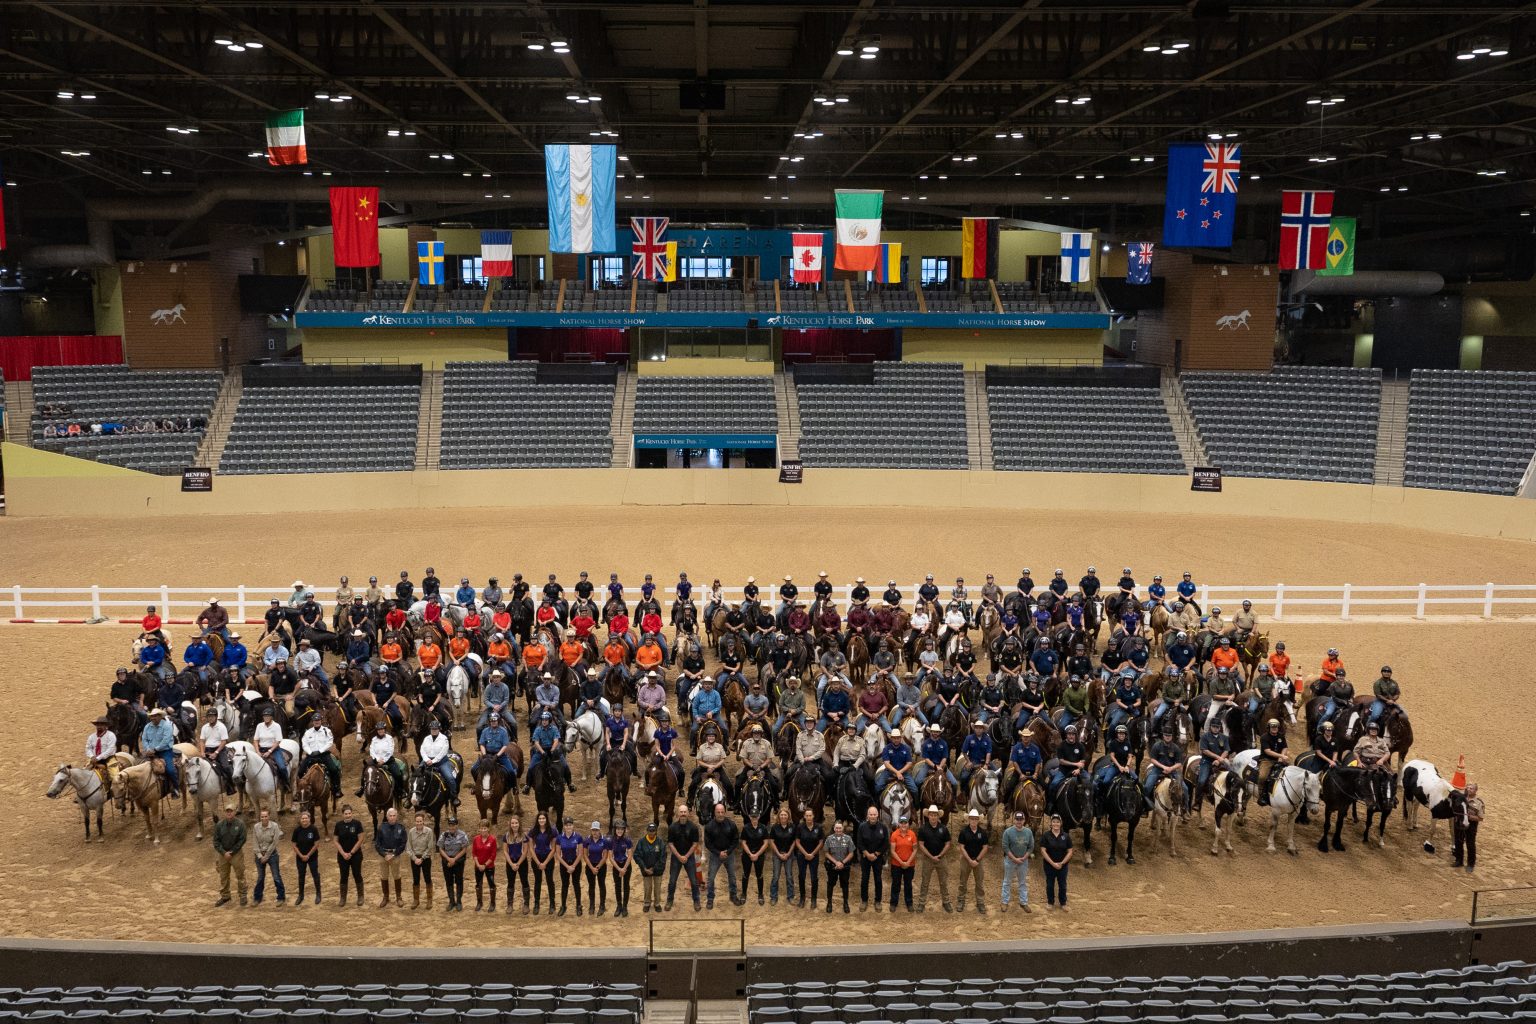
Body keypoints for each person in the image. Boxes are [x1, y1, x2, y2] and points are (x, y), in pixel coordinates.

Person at [703, 803, 742, 909]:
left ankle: (733, 895)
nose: (720, 814)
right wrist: (718, 853)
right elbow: (708, 843)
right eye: (718, 812)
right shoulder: (709, 826)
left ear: (725, 812)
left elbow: (735, 840)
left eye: (722, 812)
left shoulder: (731, 824)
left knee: (732, 877)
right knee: (711, 878)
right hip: (715, 855)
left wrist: (728, 852)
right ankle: (710, 898)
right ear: (714, 813)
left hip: (729, 855)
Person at [665, 806, 703, 911]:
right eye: (681, 812)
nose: (683, 814)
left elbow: (695, 843)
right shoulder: (672, 827)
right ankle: (669, 901)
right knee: (672, 881)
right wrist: (678, 856)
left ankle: (696, 901)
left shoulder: (693, 827)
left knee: (694, 881)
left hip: (689, 857)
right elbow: (670, 843)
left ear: (688, 813)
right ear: (677, 813)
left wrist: (686, 856)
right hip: (676, 857)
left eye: (685, 812)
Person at [916, 804, 953, 913]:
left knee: (943, 882)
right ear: (928, 816)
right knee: (925, 882)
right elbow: (921, 844)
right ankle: (922, 903)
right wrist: (931, 856)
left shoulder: (943, 828)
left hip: (941, 859)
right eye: (931, 815)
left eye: (935, 815)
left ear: (938, 816)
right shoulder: (923, 829)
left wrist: (940, 855)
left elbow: (948, 843)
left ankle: (946, 902)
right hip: (928, 859)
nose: (933, 817)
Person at [211, 803, 248, 907]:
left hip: (236, 854)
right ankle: (225, 896)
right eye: (227, 811)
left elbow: (242, 839)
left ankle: (243, 895)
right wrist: (223, 852)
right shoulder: (219, 825)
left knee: (240, 874)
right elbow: (216, 841)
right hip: (223, 854)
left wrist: (232, 852)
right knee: (223, 876)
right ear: (225, 812)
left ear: (235, 812)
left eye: (231, 811)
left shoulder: (240, 824)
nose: (229, 813)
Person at [855, 805, 890, 911]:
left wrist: (876, 854)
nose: (873, 816)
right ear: (867, 815)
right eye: (871, 814)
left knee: (878, 880)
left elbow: (885, 843)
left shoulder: (883, 827)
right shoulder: (862, 827)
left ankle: (878, 901)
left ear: (878, 815)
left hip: (877, 858)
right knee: (864, 879)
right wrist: (866, 853)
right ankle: (864, 901)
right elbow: (859, 842)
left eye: (874, 814)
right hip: (865, 858)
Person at [1000, 810, 1035, 913]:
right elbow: (1005, 847)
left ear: (1024, 820)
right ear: (1014, 820)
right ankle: (1004, 902)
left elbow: (1031, 847)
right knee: (1007, 881)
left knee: (1022, 882)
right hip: (1010, 860)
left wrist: (1025, 857)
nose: (1019, 821)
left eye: (1021, 819)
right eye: (1017, 819)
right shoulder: (1008, 832)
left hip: (1023, 861)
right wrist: (1014, 858)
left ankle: (1023, 902)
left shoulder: (1028, 832)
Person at [251, 808, 285, 906]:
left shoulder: (275, 826)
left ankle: (281, 897)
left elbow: (274, 843)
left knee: (276, 876)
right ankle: (257, 898)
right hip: (259, 855)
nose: (264, 818)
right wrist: (259, 855)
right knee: (260, 877)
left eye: (266, 816)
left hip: (272, 854)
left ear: (269, 816)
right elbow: (254, 842)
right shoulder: (256, 827)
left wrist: (266, 856)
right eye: (262, 816)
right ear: (260, 817)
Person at [333, 803, 366, 907]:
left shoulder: (357, 824)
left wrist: (351, 853)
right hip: (342, 856)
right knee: (343, 876)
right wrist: (343, 853)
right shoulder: (338, 825)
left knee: (357, 874)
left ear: (352, 813)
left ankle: (360, 896)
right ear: (343, 814)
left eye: (349, 813)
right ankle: (343, 898)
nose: (348, 815)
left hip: (355, 855)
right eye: (346, 813)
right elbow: (335, 841)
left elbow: (360, 839)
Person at [793, 808, 824, 909]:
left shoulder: (818, 827)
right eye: (807, 816)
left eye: (810, 815)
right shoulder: (800, 827)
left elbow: (821, 842)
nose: (809, 817)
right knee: (801, 876)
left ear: (813, 816)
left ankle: (813, 899)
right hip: (802, 855)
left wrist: (812, 854)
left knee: (814, 877)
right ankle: (802, 898)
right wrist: (805, 853)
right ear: (804, 816)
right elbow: (797, 842)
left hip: (814, 856)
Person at [1040, 813, 1073, 909]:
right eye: (1053, 822)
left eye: (1057, 822)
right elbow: (1043, 850)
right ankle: (1050, 902)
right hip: (1049, 865)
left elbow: (1070, 851)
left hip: (1062, 866)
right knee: (1050, 884)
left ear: (1061, 823)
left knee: (1062, 885)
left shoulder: (1066, 836)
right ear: (1050, 823)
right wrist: (1052, 863)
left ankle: (1063, 903)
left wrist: (1062, 863)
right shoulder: (1046, 835)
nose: (1055, 824)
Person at [527, 812, 558, 914]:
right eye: (540, 818)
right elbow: (531, 849)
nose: (541, 820)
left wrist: (545, 862)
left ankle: (552, 904)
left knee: (550, 881)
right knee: (538, 881)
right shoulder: (533, 831)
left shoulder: (552, 831)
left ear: (546, 819)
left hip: (548, 859)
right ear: (537, 820)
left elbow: (553, 849)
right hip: (536, 858)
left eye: (543, 818)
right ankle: (536, 904)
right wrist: (538, 863)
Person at [437, 815, 470, 912]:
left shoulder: (462, 835)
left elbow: (464, 849)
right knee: (449, 881)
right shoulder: (444, 835)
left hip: (458, 861)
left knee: (459, 881)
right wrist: (448, 859)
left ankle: (459, 901)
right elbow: (440, 848)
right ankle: (451, 901)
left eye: (453, 825)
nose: (451, 827)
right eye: (450, 825)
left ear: (457, 825)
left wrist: (454, 859)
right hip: (447, 862)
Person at [555, 818, 586, 916]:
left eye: (570, 825)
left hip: (575, 863)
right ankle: (563, 906)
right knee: (564, 885)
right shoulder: (560, 838)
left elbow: (580, 853)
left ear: (573, 826)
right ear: (564, 826)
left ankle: (578, 906)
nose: (568, 827)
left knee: (576, 884)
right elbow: (558, 855)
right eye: (567, 825)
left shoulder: (578, 837)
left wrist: (573, 866)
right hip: (564, 864)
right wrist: (567, 866)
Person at [1255, 718, 1290, 805]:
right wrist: (1281, 756)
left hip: (1279, 758)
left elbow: (1285, 747)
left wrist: (1282, 756)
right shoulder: (1264, 737)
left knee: (1290, 772)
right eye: (1272, 727)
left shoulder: (1281, 736)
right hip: (1267, 760)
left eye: (1276, 727)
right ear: (1269, 728)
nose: (1274, 728)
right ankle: (1261, 796)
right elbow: (1267, 751)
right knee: (1262, 777)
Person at [823, 820, 855, 914]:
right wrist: (836, 863)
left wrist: (842, 863)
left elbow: (851, 853)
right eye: (836, 828)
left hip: (844, 867)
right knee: (830, 884)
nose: (838, 830)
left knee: (845, 885)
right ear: (834, 829)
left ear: (843, 829)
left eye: (840, 828)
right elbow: (826, 853)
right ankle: (829, 903)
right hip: (832, 866)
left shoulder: (848, 838)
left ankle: (845, 903)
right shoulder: (829, 839)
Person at [767, 809, 798, 906]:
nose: (783, 817)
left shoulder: (792, 827)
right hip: (777, 855)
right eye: (782, 815)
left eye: (785, 815)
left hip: (789, 855)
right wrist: (779, 854)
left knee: (789, 876)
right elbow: (771, 841)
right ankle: (773, 897)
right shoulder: (774, 827)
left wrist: (789, 853)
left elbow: (794, 841)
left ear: (788, 816)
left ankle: (790, 897)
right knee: (776, 876)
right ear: (779, 816)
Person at [291, 810, 321, 905]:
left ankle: (318, 894)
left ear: (309, 819)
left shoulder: (313, 829)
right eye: (302, 818)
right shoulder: (297, 830)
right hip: (300, 857)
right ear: (300, 820)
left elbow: (316, 844)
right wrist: (301, 855)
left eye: (306, 818)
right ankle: (301, 895)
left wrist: (308, 855)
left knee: (315, 875)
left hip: (312, 857)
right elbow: (293, 844)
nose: (304, 820)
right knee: (301, 876)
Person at [635, 821, 666, 914]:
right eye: (649, 831)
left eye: (653, 831)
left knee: (657, 887)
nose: (651, 833)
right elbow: (637, 855)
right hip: (646, 870)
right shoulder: (641, 842)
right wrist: (644, 868)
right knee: (647, 887)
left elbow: (663, 857)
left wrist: (654, 868)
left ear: (656, 831)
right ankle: (647, 903)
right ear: (647, 831)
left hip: (657, 870)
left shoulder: (660, 842)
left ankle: (657, 904)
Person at [580, 821, 610, 916]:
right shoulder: (587, 840)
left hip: (600, 866)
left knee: (602, 885)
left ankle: (602, 906)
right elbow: (585, 855)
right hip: (590, 866)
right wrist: (592, 868)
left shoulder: (604, 840)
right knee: (591, 886)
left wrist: (597, 867)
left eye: (596, 830)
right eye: (593, 830)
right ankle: (592, 905)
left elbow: (605, 856)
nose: (595, 832)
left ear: (599, 830)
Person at [408, 811, 437, 909]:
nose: (419, 823)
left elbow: (430, 847)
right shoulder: (411, 832)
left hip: (425, 859)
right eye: (417, 821)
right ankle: (416, 900)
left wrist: (422, 858)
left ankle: (429, 900)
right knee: (416, 879)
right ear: (415, 821)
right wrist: (414, 858)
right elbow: (408, 847)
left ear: (423, 821)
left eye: (420, 821)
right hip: (414, 859)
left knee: (427, 878)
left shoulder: (429, 831)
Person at [468, 820, 498, 912]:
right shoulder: (476, 839)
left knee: (491, 884)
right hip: (478, 865)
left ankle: (492, 904)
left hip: (489, 866)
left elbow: (493, 855)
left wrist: (485, 865)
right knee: (478, 884)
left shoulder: (492, 839)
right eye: (481, 828)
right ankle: (479, 902)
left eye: (485, 828)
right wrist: (478, 864)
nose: (483, 830)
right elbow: (474, 853)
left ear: (488, 829)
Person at [1453, 782, 1483, 872]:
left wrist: (1469, 817)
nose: (1469, 789)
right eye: (1468, 788)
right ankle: (1459, 860)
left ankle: (1470, 864)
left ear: (1476, 791)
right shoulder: (1461, 798)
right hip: (1459, 823)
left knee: (1470, 844)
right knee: (1458, 842)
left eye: (1471, 788)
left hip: (1471, 825)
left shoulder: (1479, 803)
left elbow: (1480, 818)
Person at [740, 814, 768, 907]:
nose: (754, 818)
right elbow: (743, 842)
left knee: (759, 875)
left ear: (759, 817)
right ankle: (743, 894)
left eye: (756, 817)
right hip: (747, 855)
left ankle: (760, 895)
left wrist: (757, 854)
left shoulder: (763, 828)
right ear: (750, 817)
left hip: (759, 855)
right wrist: (750, 854)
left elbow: (765, 843)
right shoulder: (746, 827)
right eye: (752, 817)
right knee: (745, 874)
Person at [609, 820, 634, 917]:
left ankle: (625, 907)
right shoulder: (611, 840)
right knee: (618, 886)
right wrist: (619, 869)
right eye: (618, 829)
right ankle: (619, 906)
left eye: (621, 829)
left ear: (624, 830)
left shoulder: (627, 840)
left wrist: (624, 868)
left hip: (626, 865)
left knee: (626, 885)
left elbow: (630, 855)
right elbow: (610, 857)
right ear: (615, 829)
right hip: (616, 866)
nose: (619, 831)